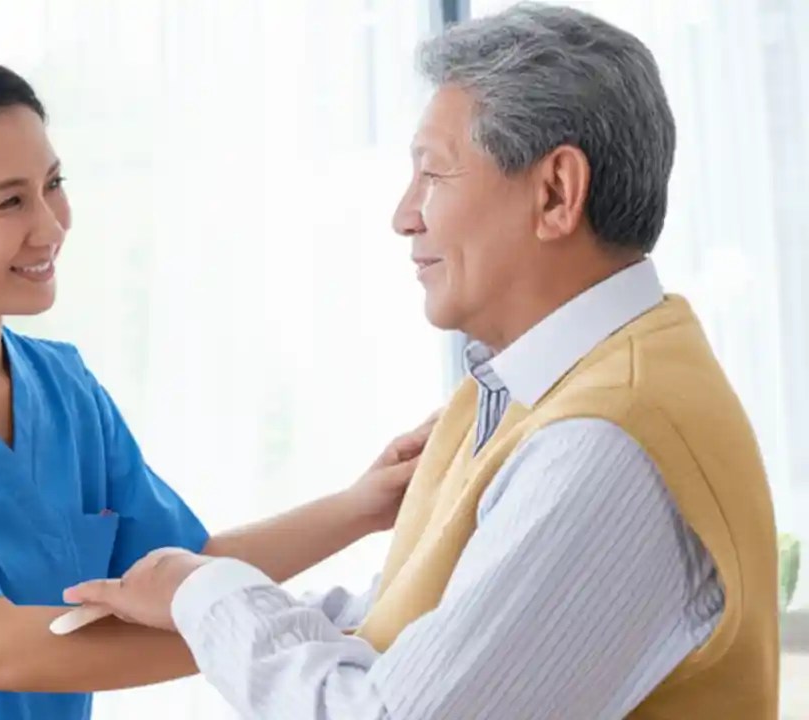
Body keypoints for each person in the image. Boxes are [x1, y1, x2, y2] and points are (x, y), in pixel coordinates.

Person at [64, 4, 781, 718]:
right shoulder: (530, 392)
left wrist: (203, 591)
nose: (405, 215)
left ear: (557, 192)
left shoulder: (604, 444)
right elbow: (421, 632)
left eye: (433, 175)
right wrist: (200, 601)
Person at [0, 55, 434, 720]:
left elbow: (187, 571)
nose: (51, 225)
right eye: (10, 201)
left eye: (52, 183)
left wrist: (364, 507)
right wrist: (298, 642)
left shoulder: (62, 389)